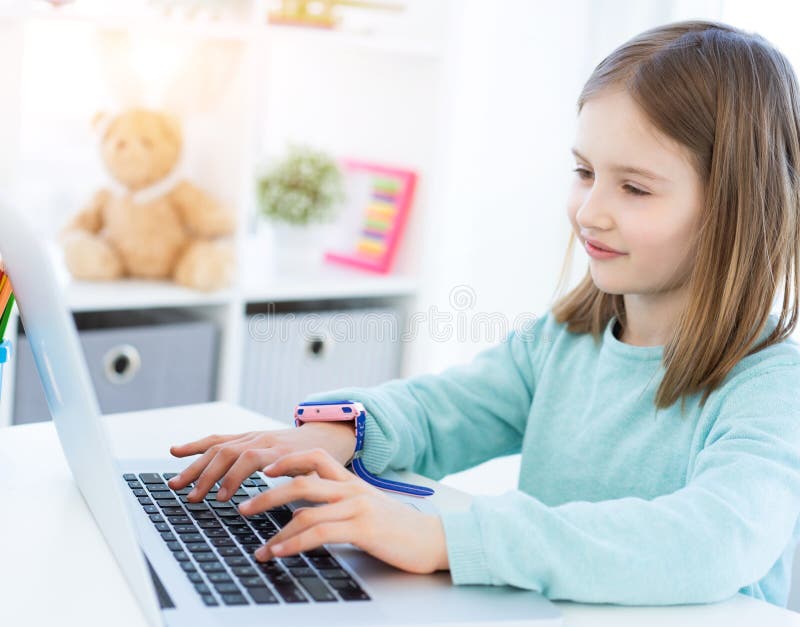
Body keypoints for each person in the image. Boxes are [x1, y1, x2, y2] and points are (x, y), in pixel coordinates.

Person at [168, 20, 800, 606]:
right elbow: (443, 410)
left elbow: (713, 540)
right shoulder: (562, 343)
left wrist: (445, 538)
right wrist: (342, 432)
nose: (589, 212)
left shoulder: (771, 386)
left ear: (736, 208)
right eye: (584, 172)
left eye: (634, 188)